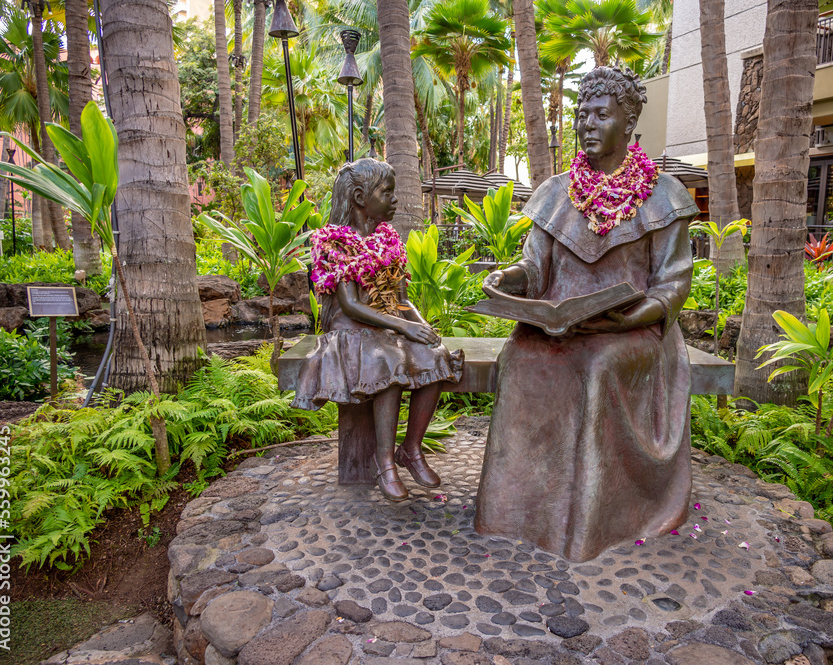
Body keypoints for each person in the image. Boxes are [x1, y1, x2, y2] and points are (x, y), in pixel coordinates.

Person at [474, 66, 698, 562]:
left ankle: (589, 525)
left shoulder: (662, 195)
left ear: (629, 121)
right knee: (520, 359)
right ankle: (515, 513)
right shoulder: (556, 192)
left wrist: (636, 315)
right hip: (558, 325)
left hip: (632, 330)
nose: (588, 124)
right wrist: (506, 279)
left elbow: (672, 281)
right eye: (581, 114)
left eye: (602, 114)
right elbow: (534, 267)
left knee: (596, 368)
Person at [292, 158, 463, 502]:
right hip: (349, 329)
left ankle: (410, 449)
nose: (394, 200)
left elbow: (400, 299)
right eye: (387, 193)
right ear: (359, 197)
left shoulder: (388, 239)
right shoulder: (334, 241)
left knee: (436, 355)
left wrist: (420, 326)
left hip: (384, 325)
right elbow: (352, 305)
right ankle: (383, 461)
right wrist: (403, 326)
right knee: (387, 359)